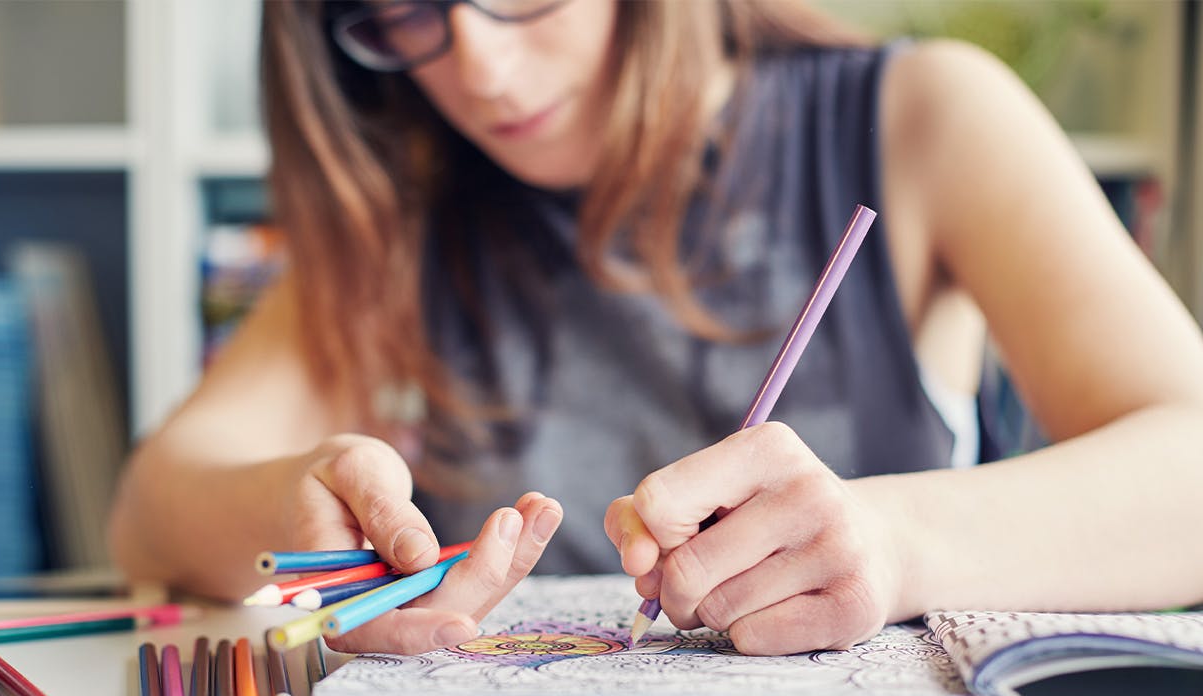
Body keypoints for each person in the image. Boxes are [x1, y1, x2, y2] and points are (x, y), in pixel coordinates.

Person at [110, 0, 1203, 657]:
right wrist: (307, 529)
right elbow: (153, 506)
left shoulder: (922, 119)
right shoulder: (401, 209)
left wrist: (892, 542)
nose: (477, 69)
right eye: (402, 9)